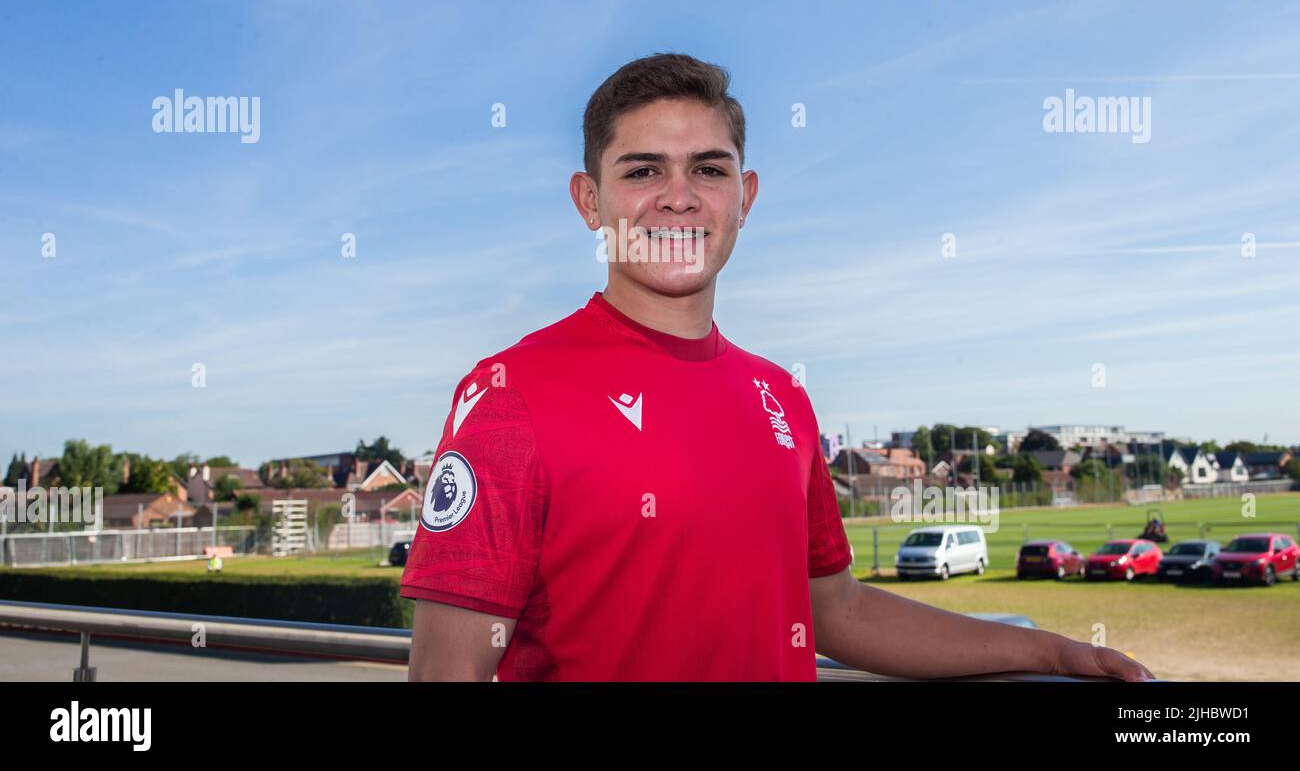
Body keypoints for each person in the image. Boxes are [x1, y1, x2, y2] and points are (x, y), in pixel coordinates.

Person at [401, 52, 1156, 682]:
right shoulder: (510, 394)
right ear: (589, 201)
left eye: (708, 169)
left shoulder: (781, 395)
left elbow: (837, 610)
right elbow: (445, 673)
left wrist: (1049, 651)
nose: (678, 198)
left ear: (745, 196)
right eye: (642, 172)